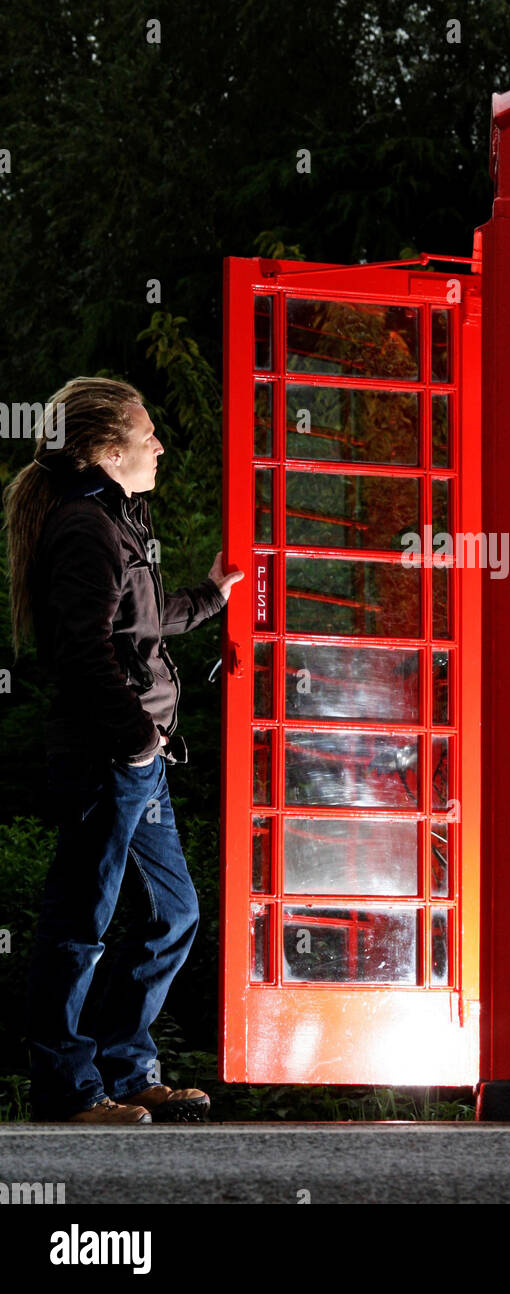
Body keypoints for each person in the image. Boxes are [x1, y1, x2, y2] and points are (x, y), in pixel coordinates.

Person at [2, 377, 243, 1123]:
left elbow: (134, 625)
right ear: (109, 451)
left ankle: (126, 1067)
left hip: (143, 760)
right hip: (113, 757)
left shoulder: (114, 519)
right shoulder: (85, 528)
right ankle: (69, 1090)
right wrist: (136, 741)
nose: (159, 447)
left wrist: (210, 597)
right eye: (146, 437)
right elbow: (82, 653)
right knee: (80, 922)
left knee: (174, 914)